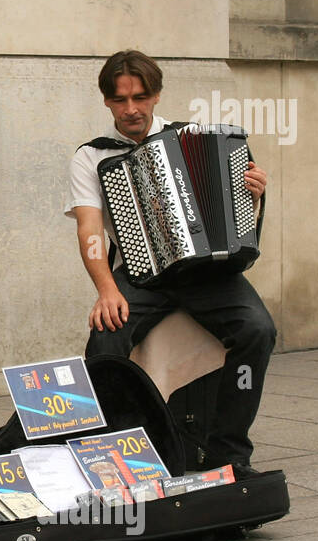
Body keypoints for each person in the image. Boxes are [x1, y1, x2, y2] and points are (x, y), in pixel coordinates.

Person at [65, 50, 275, 475]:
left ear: (156, 96)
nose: (131, 110)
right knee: (105, 342)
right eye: (120, 100)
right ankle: (110, 456)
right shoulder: (91, 156)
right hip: (138, 275)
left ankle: (227, 453)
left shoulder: (192, 136)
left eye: (140, 98)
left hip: (205, 273)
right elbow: (89, 230)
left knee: (258, 330)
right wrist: (106, 290)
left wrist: (252, 191)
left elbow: (234, 214)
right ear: (107, 101)